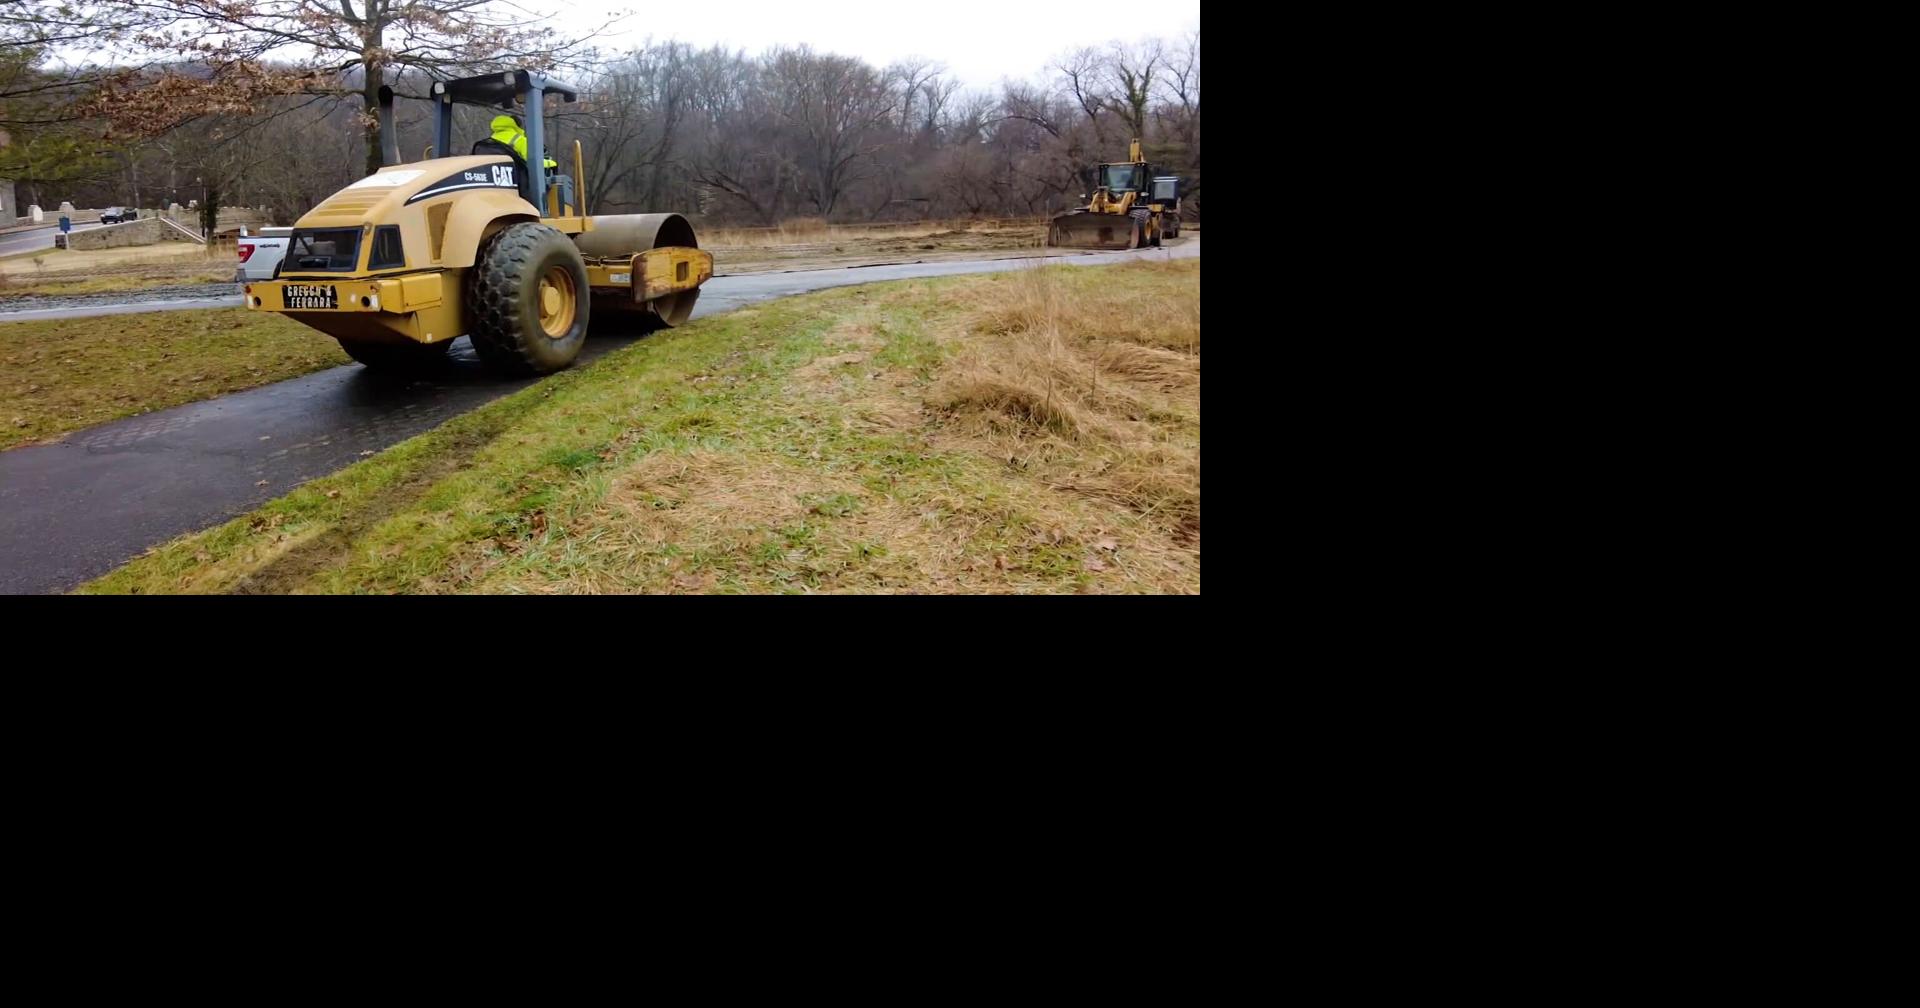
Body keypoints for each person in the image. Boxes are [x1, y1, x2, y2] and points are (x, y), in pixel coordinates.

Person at [488, 114, 572, 213]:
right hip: (520, 189)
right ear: (517, 126)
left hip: (492, 190)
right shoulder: (520, 141)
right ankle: (544, 212)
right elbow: (534, 163)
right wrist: (552, 163)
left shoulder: (487, 142)